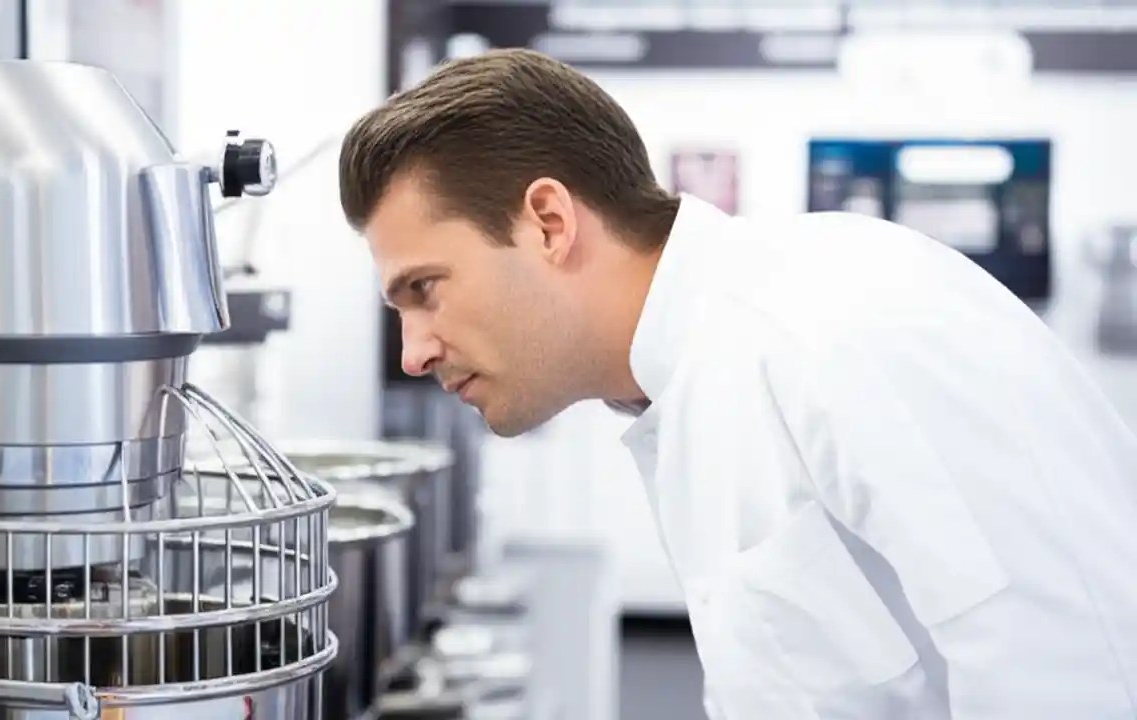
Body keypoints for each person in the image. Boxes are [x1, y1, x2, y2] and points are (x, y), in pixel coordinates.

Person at [337, 48, 1137, 718]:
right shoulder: (690, 384)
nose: (413, 353)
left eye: (425, 288)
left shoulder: (842, 329)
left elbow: (1080, 677)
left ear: (548, 222)